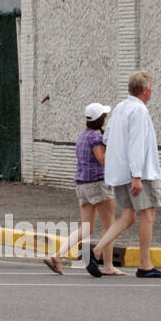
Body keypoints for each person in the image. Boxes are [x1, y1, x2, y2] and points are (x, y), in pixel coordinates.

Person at [90, 71, 161, 278]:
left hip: (119, 171)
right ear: (145, 90)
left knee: (128, 215)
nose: (152, 90)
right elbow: (137, 143)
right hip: (140, 172)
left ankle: (97, 250)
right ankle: (145, 265)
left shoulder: (119, 108)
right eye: (151, 86)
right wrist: (136, 175)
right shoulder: (139, 110)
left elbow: (106, 138)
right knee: (147, 215)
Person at [44, 103, 124, 275]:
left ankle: (58, 255)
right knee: (109, 225)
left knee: (86, 227)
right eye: (104, 115)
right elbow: (102, 159)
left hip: (82, 185)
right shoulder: (96, 137)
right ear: (101, 119)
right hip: (98, 184)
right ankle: (108, 266)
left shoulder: (82, 136)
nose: (106, 117)